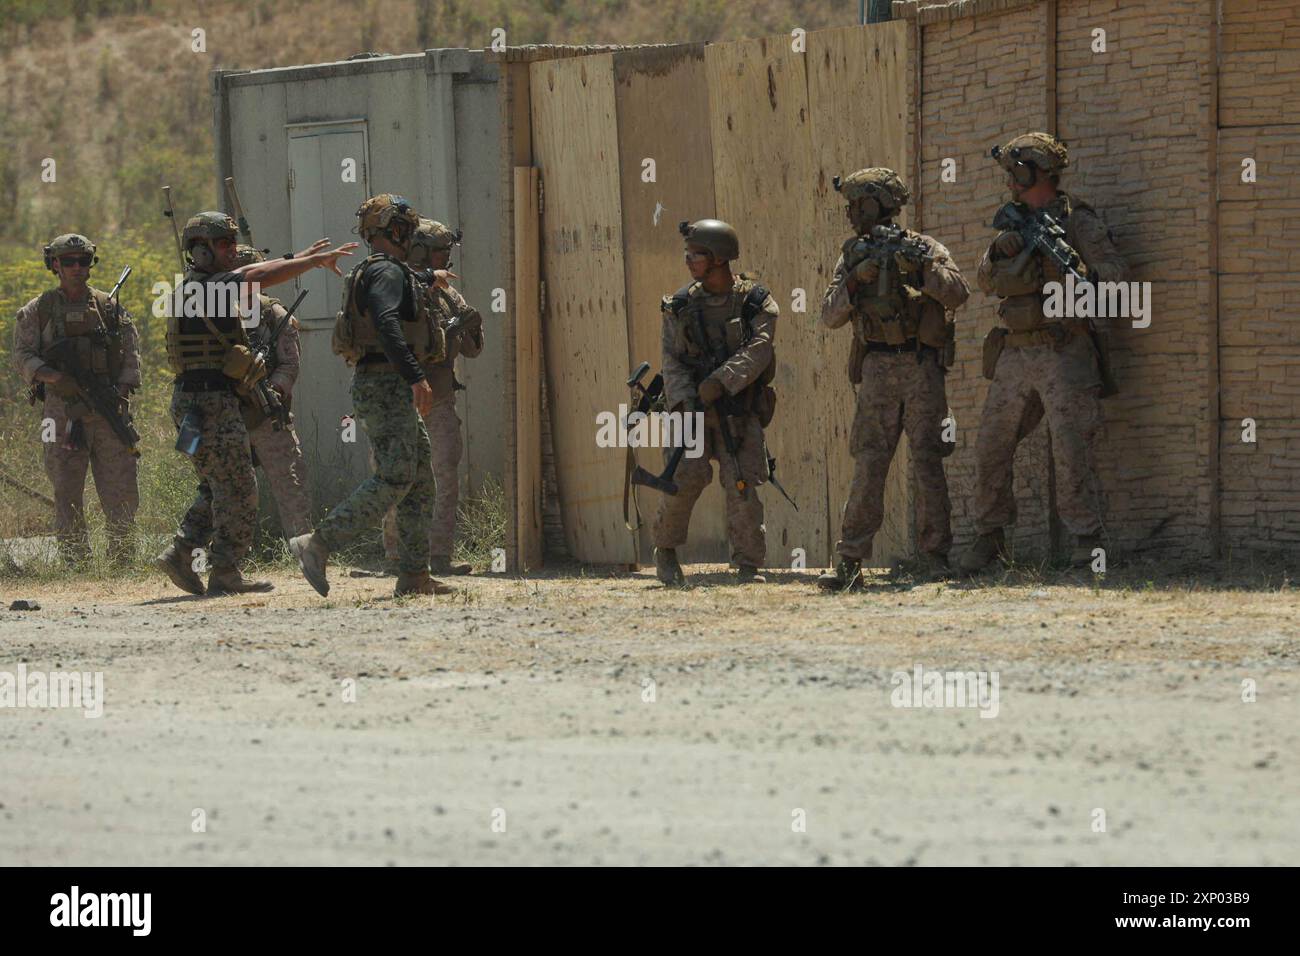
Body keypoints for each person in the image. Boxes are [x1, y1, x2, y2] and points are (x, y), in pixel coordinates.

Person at [156, 212, 355, 595]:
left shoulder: (190, 287)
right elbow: (257, 277)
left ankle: (180, 552)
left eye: (234, 242)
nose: (232, 250)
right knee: (240, 489)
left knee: (218, 484)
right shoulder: (211, 288)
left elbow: (255, 273)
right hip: (212, 402)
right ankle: (225, 571)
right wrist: (310, 262)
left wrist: (296, 256)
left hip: (193, 400)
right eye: (224, 244)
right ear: (201, 249)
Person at [959, 132, 1128, 573]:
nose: (1012, 183)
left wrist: (1080, 274)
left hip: (1063, 347)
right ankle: (989, 537)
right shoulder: (1011, 223)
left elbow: (1116, 276)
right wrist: (998, 252)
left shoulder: (1079, 222)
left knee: (1073, 449)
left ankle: (1087, 542)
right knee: (991, 446)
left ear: (1037, 173)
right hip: (1015, 354)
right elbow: (984, 281)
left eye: (1018, 173)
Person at [290, 194, 454, 598]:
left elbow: (399, 292)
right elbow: (385, 320)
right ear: (394, 231)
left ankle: (414, 576)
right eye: (406, 227)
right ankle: (318, 542)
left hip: (383, 382)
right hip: (388, 384)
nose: (411, 235)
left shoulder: (382, 271)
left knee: (420, 480)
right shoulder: (386, 274)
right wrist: (415, 376)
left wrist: (429, 280)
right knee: (398, 475)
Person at [815, 168, 970, 590]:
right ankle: (850, 561)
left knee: (928, 460)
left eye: (855, 205)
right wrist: (855, 279)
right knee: (869, 464)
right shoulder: (852, 255)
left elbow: (959, 293)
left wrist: (921, 271)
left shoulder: (923, 247)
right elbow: (828, 316)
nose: (849, 214)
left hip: (921, 367)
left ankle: (935, 557)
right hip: (878, 369)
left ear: (874, 204)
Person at [652, 219, 778, 586]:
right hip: (692, 410)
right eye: (687, 254)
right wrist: (686, 400)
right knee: (683, 477)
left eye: (697, 255)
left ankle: (748, 564)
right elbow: (671, 359)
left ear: (720, 258)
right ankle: (666, 553)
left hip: (738, 407)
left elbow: (759, 350)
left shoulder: (756, 301)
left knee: (742, 482)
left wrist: (721, 382)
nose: (689, 261)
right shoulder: (679, 306)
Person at [12, 233, 140, 563]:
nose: (77, 268)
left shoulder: (108, 306)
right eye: (69, 261)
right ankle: (75, 562)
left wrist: (122, 393)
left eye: (83, 261)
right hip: (62, 413)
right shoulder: (39, 309)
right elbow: (22, 355)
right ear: (54, 264)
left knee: (121, 487)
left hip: (108, 408)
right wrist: (54, 376)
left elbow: (130, 354)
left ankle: (122, 559)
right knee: (66, 488)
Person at [379, 219, 484, 575]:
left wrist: (468, 327)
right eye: (441, 250)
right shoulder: (393, 287)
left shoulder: (448, 294)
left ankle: (438, 556)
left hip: (438, 400)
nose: (447, 258)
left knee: (443, 477)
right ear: (420, 249)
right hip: (398, 401)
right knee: (395, 477)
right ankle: (397, 557)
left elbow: (472, 351)